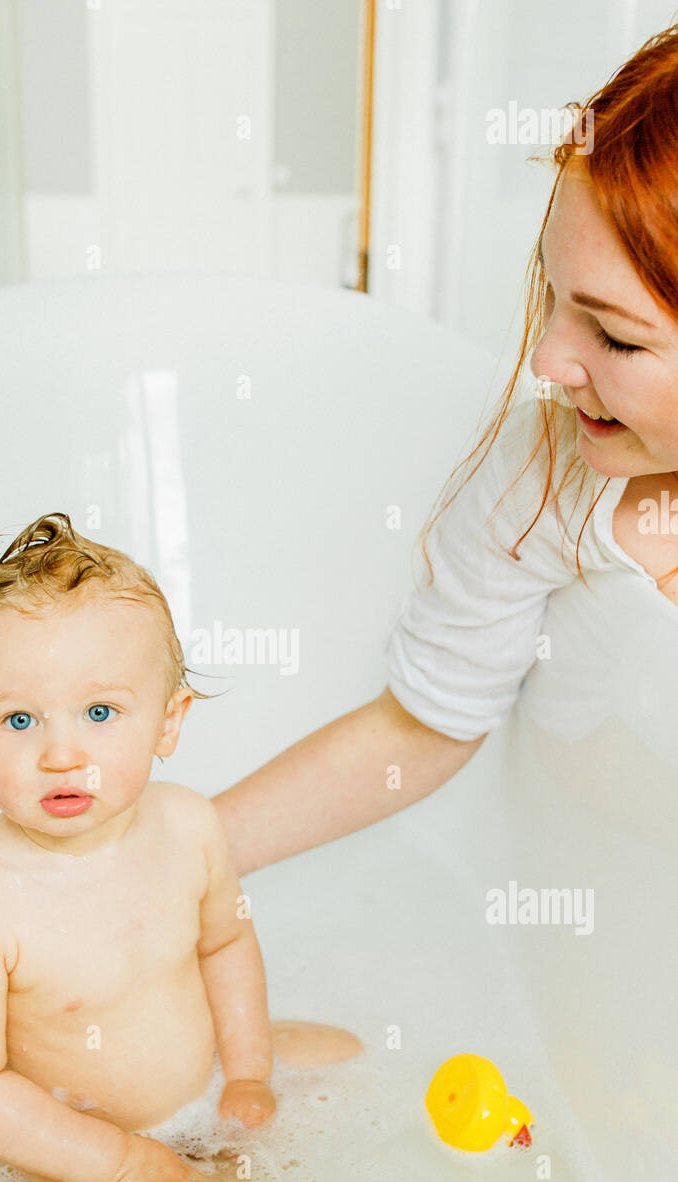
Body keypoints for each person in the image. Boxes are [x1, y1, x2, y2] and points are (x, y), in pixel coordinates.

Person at [213, 23, 678, 877]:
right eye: (552, 294)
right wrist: (190, 852)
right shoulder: (547, 476)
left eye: (613, 337)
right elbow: (424, 724)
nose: (545, 361)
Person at [0, 514, 360, 1182]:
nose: (60, 753)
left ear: (168, 723)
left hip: (196, 1089)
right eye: (20, 721)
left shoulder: (189, 828)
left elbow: (224, 947)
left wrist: (246, 1071)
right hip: (59, 1146)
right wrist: (115, 1164)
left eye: (100, 712)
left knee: (348, 1059)